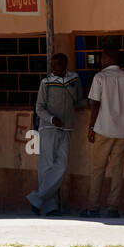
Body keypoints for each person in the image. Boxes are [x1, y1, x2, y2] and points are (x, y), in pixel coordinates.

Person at [82, 47, 124, 219]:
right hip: (120, 131)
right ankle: (113, 207)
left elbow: (95, 104)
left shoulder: (100, 77)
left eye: (102, 57)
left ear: (107, 58)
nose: (100, 60)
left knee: (97, 169)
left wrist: (91, 127)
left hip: (102, 129)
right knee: (117, 170)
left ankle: (93, 207)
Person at [27, 52, 84, 217]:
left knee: (61, 166)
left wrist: (67, 84)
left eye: (57, 64)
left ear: (65, 64)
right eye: (52, 65)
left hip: (67, 128)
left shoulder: (73, 79)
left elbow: (78, 99)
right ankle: (50, 206)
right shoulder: (46, 82)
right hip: (49, 128)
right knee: (46, 166)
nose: (53, 68)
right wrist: (52, 119)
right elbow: (39, 107)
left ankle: (37, 198)